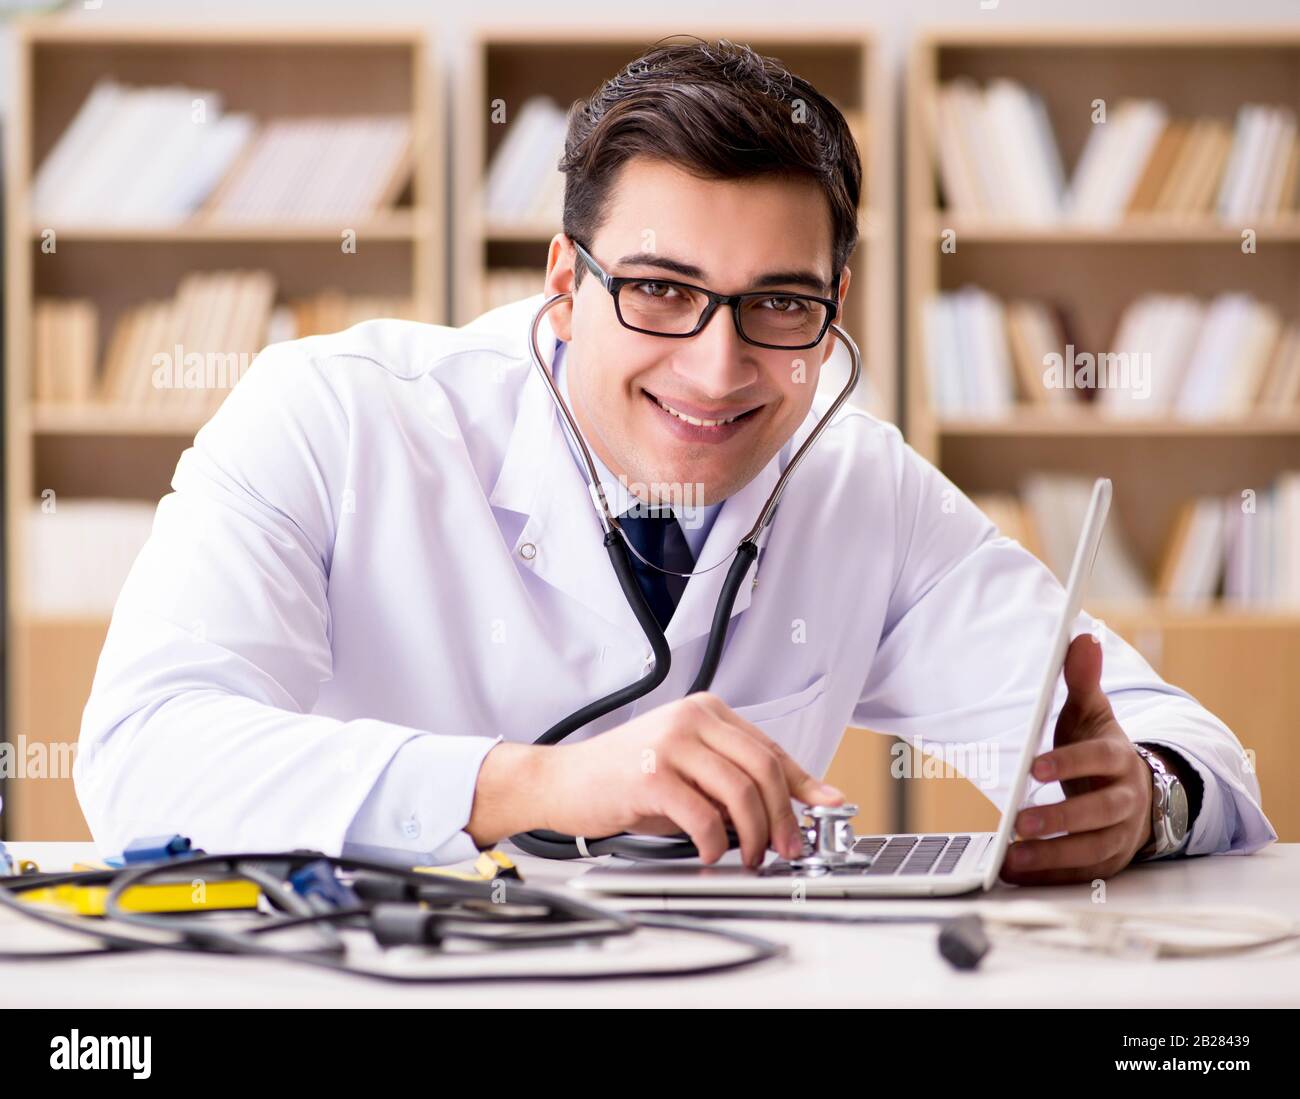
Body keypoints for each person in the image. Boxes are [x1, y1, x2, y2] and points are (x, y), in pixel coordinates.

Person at [76, 39, 1274, 883]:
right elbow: (144, 754)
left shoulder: (858, 486)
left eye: (780, 305)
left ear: (835, 304)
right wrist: (538, 786)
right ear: (563, 283)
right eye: (659, 290)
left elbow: (1191, 744)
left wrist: (1142, 801)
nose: (717, 369)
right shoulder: (331, 418)